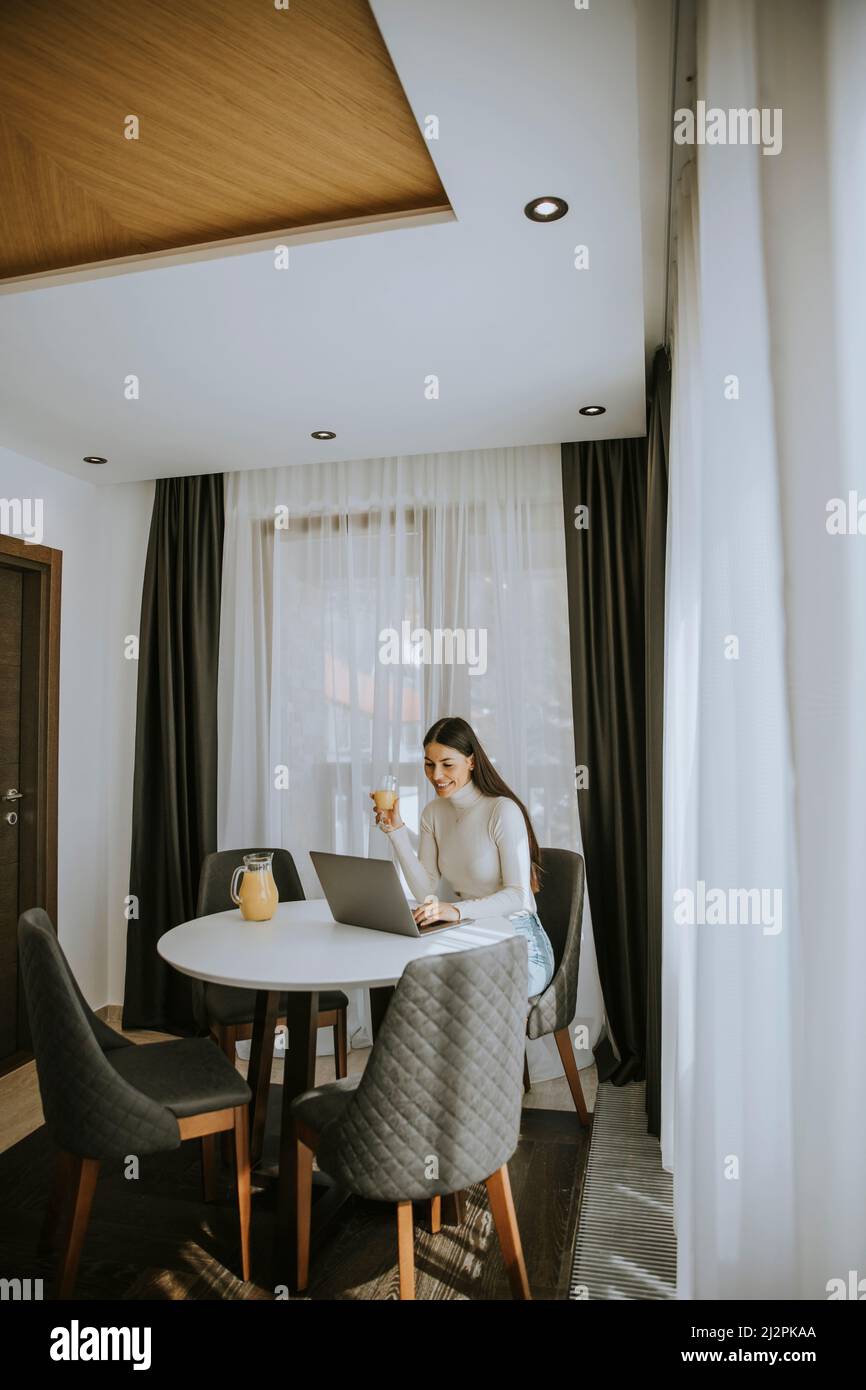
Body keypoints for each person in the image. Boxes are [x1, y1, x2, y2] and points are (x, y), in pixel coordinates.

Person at [371, 715, 555, 997]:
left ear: (471, 761)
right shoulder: (433, 813)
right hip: (471, 937)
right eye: (429, 764)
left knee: (457, 1000)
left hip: (521, 945)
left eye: (447, 765)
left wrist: (456, 910)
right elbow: (426, 889)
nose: (436, 775)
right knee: (416, 989)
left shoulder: (501, 811)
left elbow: (520, 897)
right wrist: (396, 831)